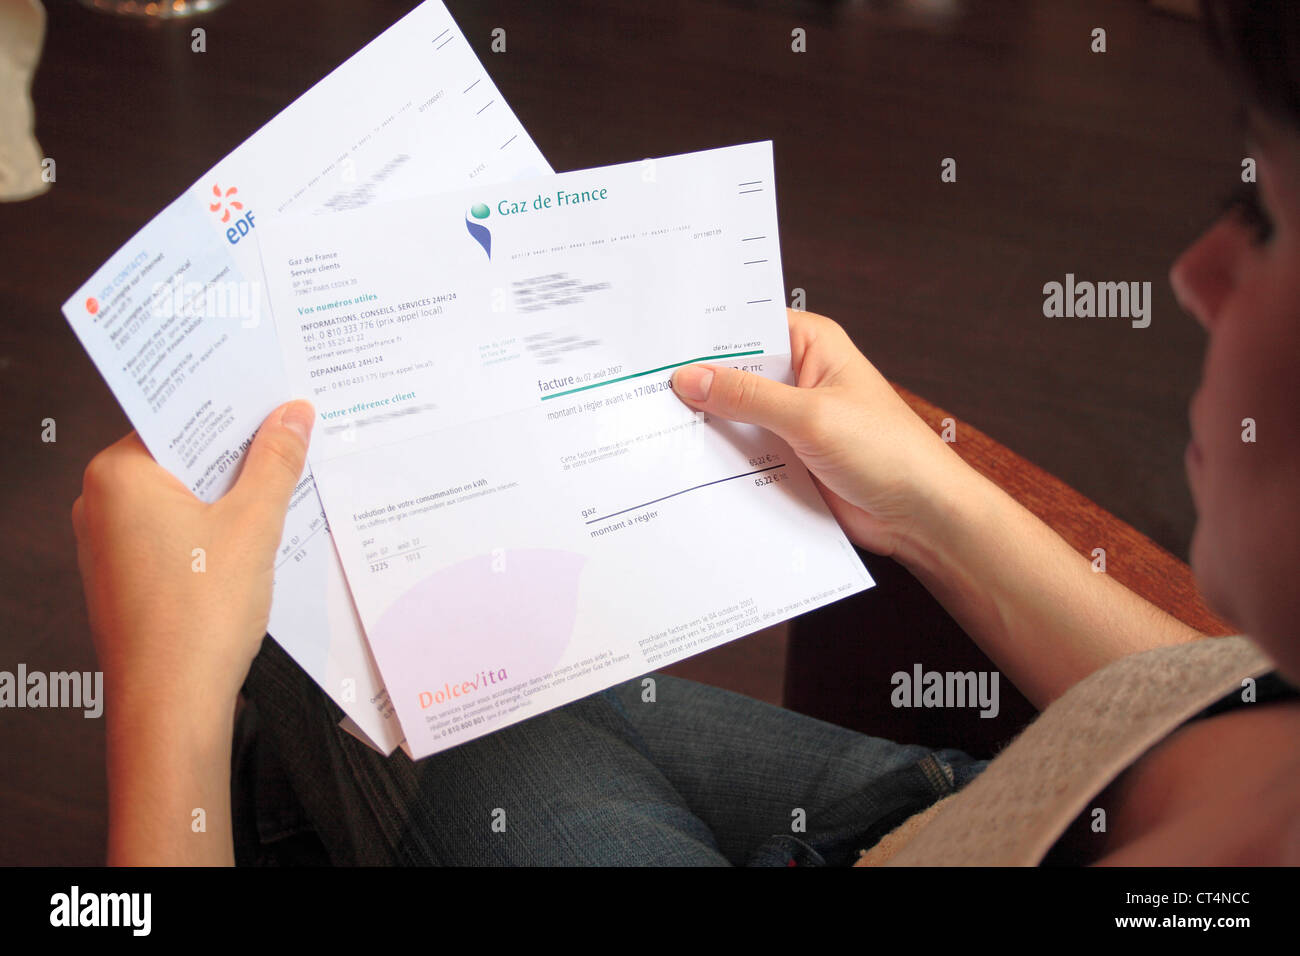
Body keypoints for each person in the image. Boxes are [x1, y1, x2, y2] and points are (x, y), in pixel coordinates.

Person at [71, 0, 1300, 865]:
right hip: (954, 814)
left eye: (1258, 213)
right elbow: (1221, 717)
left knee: (299, 634)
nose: (1193, 273)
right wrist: (927, 500)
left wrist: (160, 710)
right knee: (371, 635)